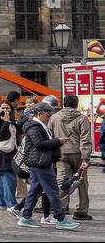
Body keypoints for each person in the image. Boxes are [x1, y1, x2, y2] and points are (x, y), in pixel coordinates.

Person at [48, 93, 91, 222]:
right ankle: (81, 211)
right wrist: (86, 158)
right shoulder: (82, 118)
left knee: (62, 181)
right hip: (78, 153)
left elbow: (50, 135)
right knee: (81, 182)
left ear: (64, 104)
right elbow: (85, 139)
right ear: (76, 104)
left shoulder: (54, 117)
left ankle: (60, 208)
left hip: (60, 154)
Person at [0, 100, 19, 212]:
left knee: (4, 178)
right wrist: (6, 122)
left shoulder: (11, 120)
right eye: (3, 108)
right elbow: (1, 135)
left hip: (11, 151)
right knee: (9, 177)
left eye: (7, 108)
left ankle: (1, 202)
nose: (5, 110)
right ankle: (11, 203)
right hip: (2, 152)